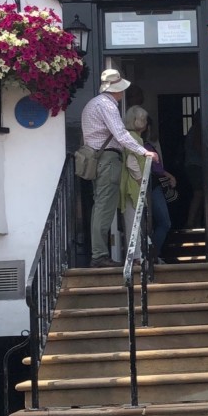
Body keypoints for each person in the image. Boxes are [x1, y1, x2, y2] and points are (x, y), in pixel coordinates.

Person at [80, 70, 157, 268]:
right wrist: (143, 151)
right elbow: (121, 134)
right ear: (116, 90)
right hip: (107, 159)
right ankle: (99, 255)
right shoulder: (107, 105)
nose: (123, 93)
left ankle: (99, 253)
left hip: (97, 158)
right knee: (104, 207)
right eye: (121, 89)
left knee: (100, 206)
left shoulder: (92, 103)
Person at [120, 108, 174, 264]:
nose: (144, 123)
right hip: (133, 186)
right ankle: (137, 256)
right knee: (133, 219)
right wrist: (140, 180)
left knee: (138, 220)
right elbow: (132, 163)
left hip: (135, 186)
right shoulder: (133, 138)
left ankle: (145, 254)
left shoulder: (135, 137)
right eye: (142, 120)